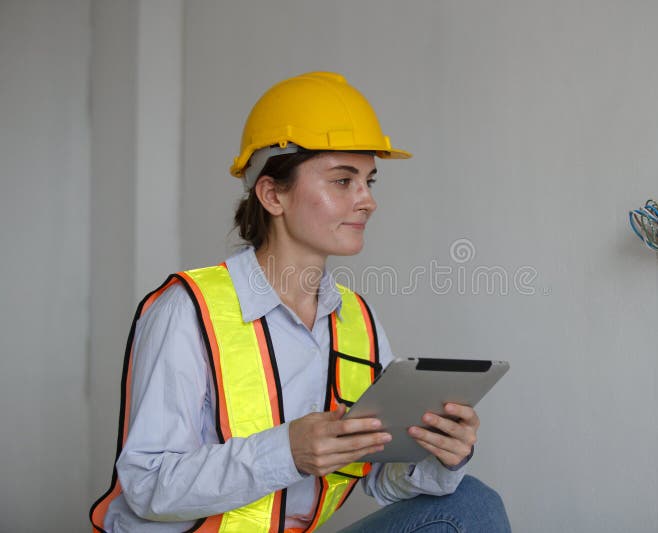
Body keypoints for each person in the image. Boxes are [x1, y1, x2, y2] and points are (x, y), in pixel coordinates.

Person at [90, 71, 511, 532]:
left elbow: (378, 477)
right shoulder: (187, 310)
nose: (367, 200)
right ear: (273, 194)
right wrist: (286, 451)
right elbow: (147, 487)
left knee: (469, 501)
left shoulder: (356, 319)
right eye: (343, 180)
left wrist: (440, 455)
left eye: (370, 180)